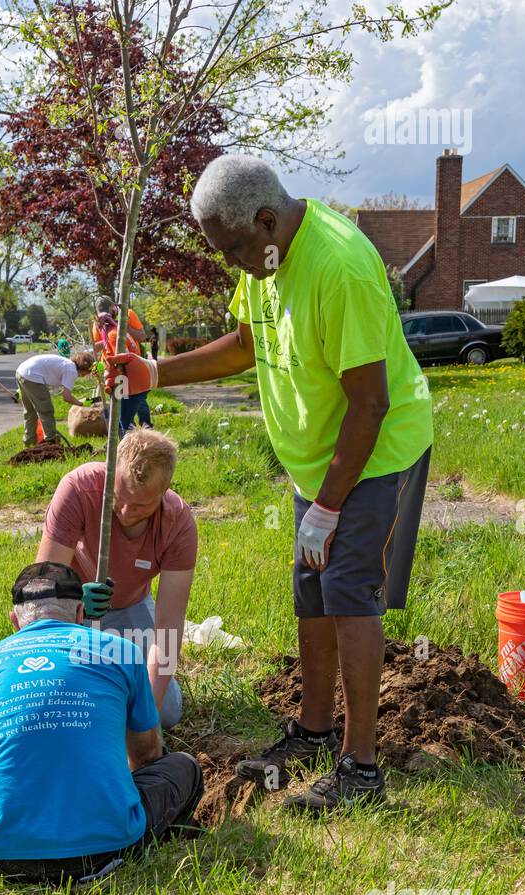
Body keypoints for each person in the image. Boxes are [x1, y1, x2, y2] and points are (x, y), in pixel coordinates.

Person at [107, 154, 433, 813]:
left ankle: (361, 770)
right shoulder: (266, 259)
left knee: (347, 590)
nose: (232, 264)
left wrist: (330, 506)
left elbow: (370, 405)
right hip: (317, 461)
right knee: (310, 590)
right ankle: (315, 729)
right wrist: (154, 374)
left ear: (265, 221)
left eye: (232, 250)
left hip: (373, 452)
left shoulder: (339, 268)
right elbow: (244, 342)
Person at [0, 562, 204, 884]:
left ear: (15, 621)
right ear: (82, 612)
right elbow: (147, 756)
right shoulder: (121, 651)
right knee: (184, 767)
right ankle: (151, 839)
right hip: (108, 849)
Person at [37, 429, 196, 728]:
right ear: (112, 473)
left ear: (163, 494)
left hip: (129, 607)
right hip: (69, 610)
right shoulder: (78, 488)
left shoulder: (178, 524)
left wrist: (145, 718)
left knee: (165, 712)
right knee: (61, 700)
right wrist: (71, 597)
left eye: (139, 506)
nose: (124, 511)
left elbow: (168, 626)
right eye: (119, 497)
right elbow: (42, 587)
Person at [92, 296, 152, 432]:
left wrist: (121, 326)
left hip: (128, 369)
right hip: (116, 372)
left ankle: (143, 428)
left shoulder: (128, 315)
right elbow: (100, 347)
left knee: (134, 401)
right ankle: (125, 431)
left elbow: (142, 336)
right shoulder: (99, 325)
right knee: (122, 404)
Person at [15, 349, 94, 446]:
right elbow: (66, 396)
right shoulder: (71, 370)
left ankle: (29, 443)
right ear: (85, 368)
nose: (86, 375)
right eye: (88, 372)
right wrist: (82, 403)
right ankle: (51, 442)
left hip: (22, 372)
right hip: (32, 376)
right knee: (46, 411)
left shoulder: (66, 364)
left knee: (30, 413)